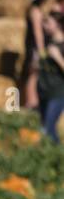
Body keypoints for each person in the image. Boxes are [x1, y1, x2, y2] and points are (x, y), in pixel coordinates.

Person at [22, 0, 55, 110]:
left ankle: (32, 100)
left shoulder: (34, 11)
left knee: (35, 73)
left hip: (33, 46)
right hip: (34, 48)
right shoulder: (35, 12)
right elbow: (37, 32)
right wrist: (41, 50)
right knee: (33, 73)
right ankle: (31, 101)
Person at [36, 13, 64, 141]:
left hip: (58, 93)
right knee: (42, 129)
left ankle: (57, 157)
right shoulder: (47, 45)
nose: (44, 26)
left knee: (49, 127)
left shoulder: (61, 47)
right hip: (44, 93)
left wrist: (58, 58)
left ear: (58, 25)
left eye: (48, 23)